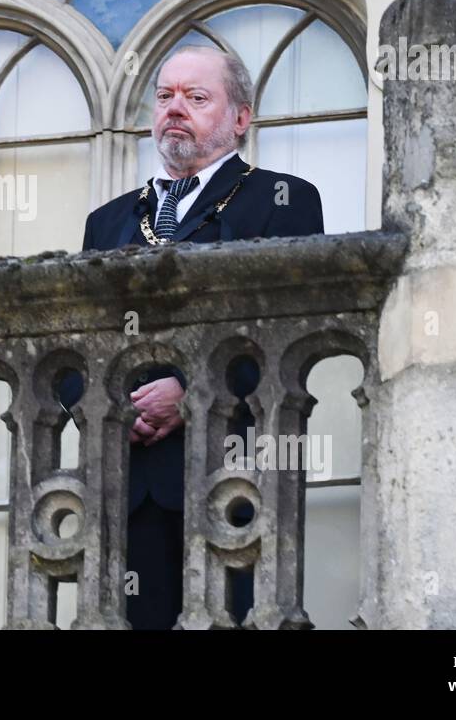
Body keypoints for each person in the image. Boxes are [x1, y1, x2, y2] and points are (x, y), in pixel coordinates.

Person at [61, 45, 324, 629]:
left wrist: (190, 391)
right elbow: (72, 343)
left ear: (239, 118)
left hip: (233, 474)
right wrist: (112, 406)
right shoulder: (108, 221)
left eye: (196, 97)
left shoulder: (283, 201)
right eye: (165, 96)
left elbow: (285, 331)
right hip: (125, 480)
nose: (174, 109)